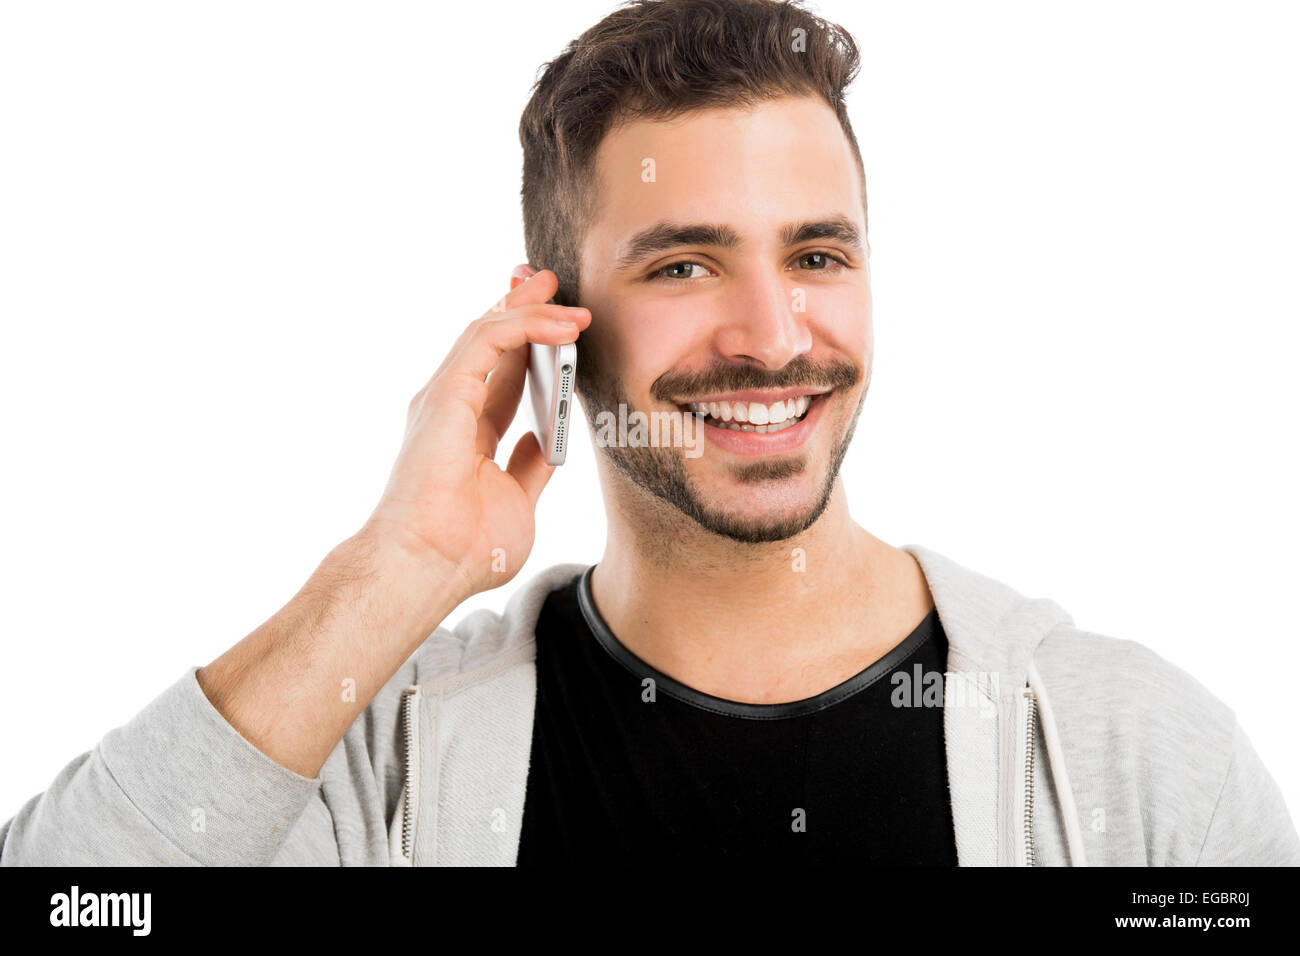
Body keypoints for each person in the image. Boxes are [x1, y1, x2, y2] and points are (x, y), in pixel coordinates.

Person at [2, 0, 1296, 867]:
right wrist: (397, 568)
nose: (773, 332)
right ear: (554, 324)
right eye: (684, 266)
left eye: (818, 252)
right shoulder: (393, 760)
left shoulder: (1126, 757)